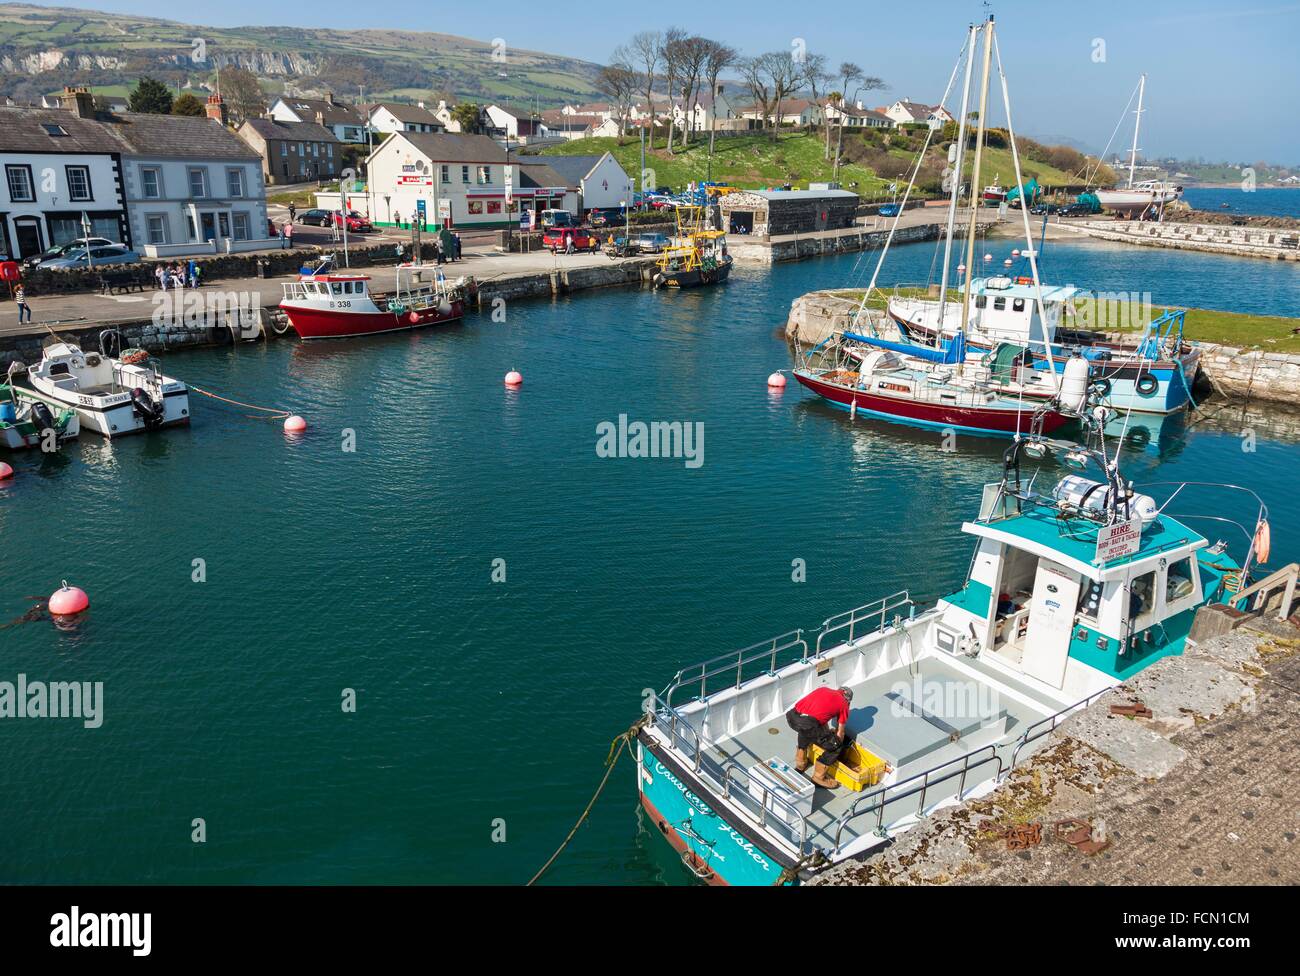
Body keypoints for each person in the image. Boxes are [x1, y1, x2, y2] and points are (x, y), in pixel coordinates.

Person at [786, 686, 854, 789]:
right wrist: (836, 743)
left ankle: (800, 763)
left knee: (806, 730)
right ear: (848, 700)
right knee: (836, 746)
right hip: (808, 724)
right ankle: (819, 778)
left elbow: (818, 716)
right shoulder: (844, 704)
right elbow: (841, 732)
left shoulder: (824, 689)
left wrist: (826, 733)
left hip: (792, 717)